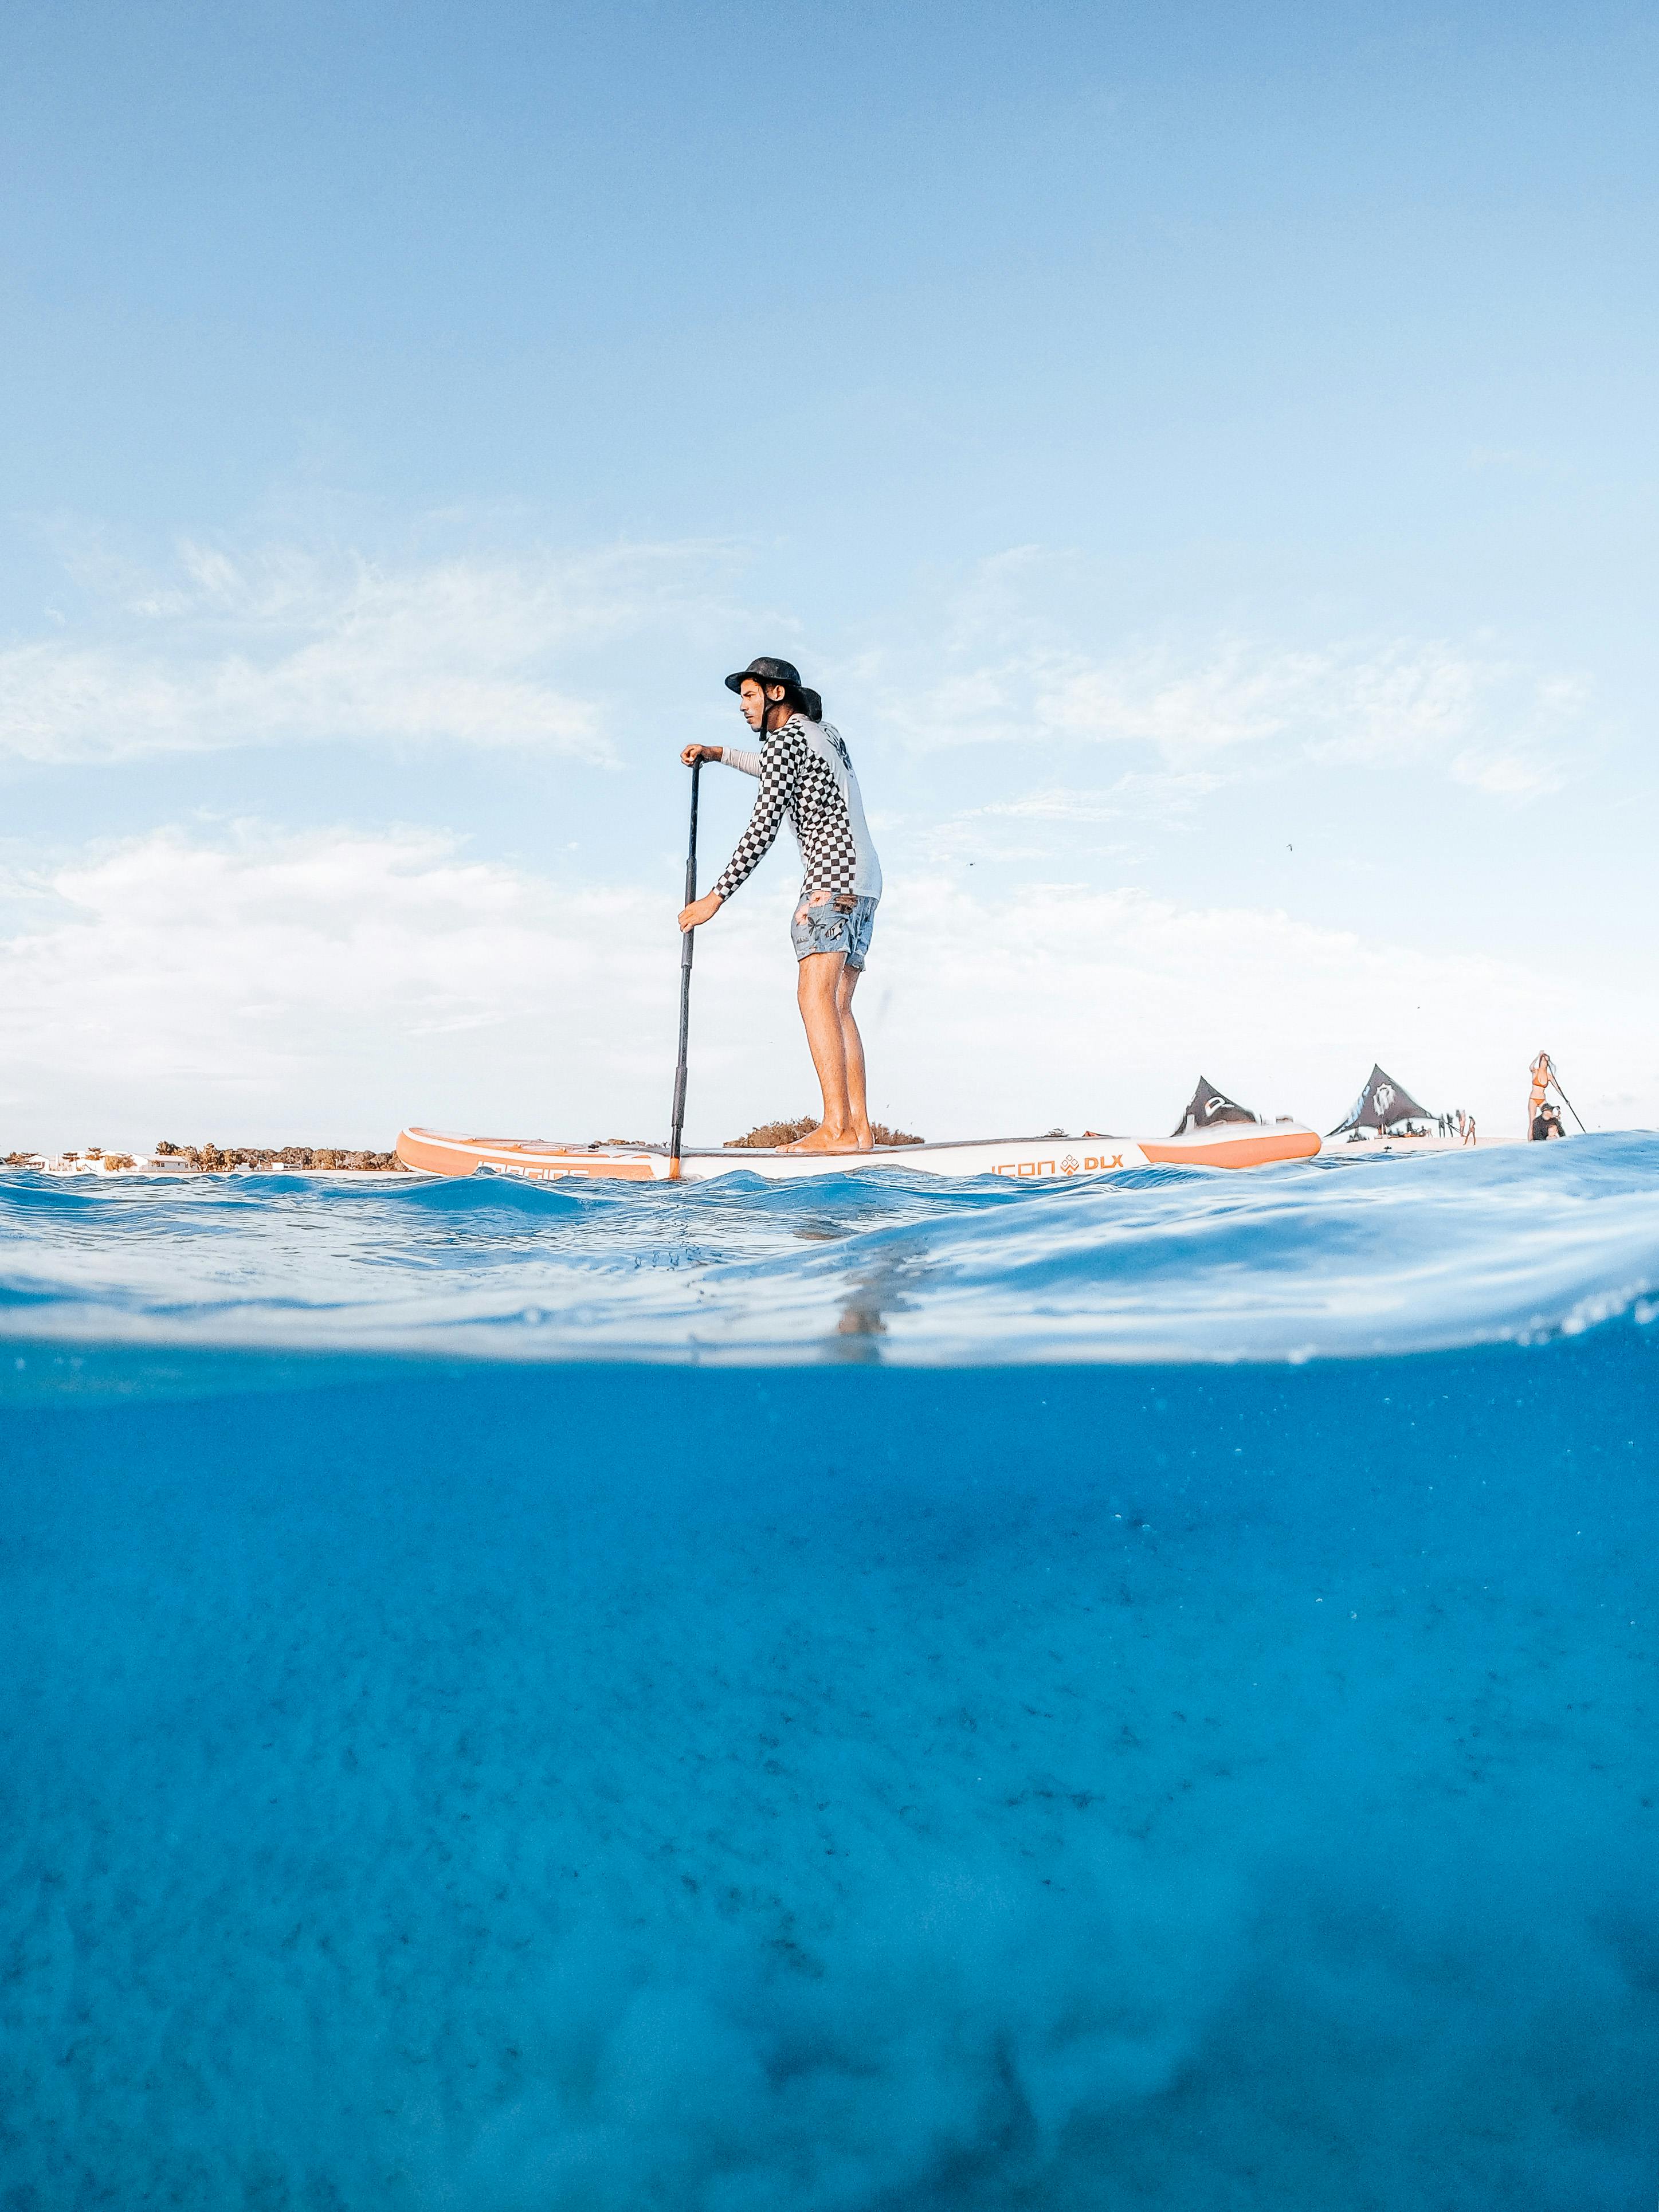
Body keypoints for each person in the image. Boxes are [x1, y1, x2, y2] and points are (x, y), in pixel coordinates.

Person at [677, 656, 882, 1153]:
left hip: (827, 883)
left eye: (748, 695)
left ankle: (834, 1129)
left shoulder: (786, 742)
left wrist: (715, 896)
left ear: (775, 694)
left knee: (814, 999)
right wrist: (718, 753)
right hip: (866, 881)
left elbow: (763, 825)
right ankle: (858, 1131)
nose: (742, 707)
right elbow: (771, 767)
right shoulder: (823, 734)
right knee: (839, 1006)